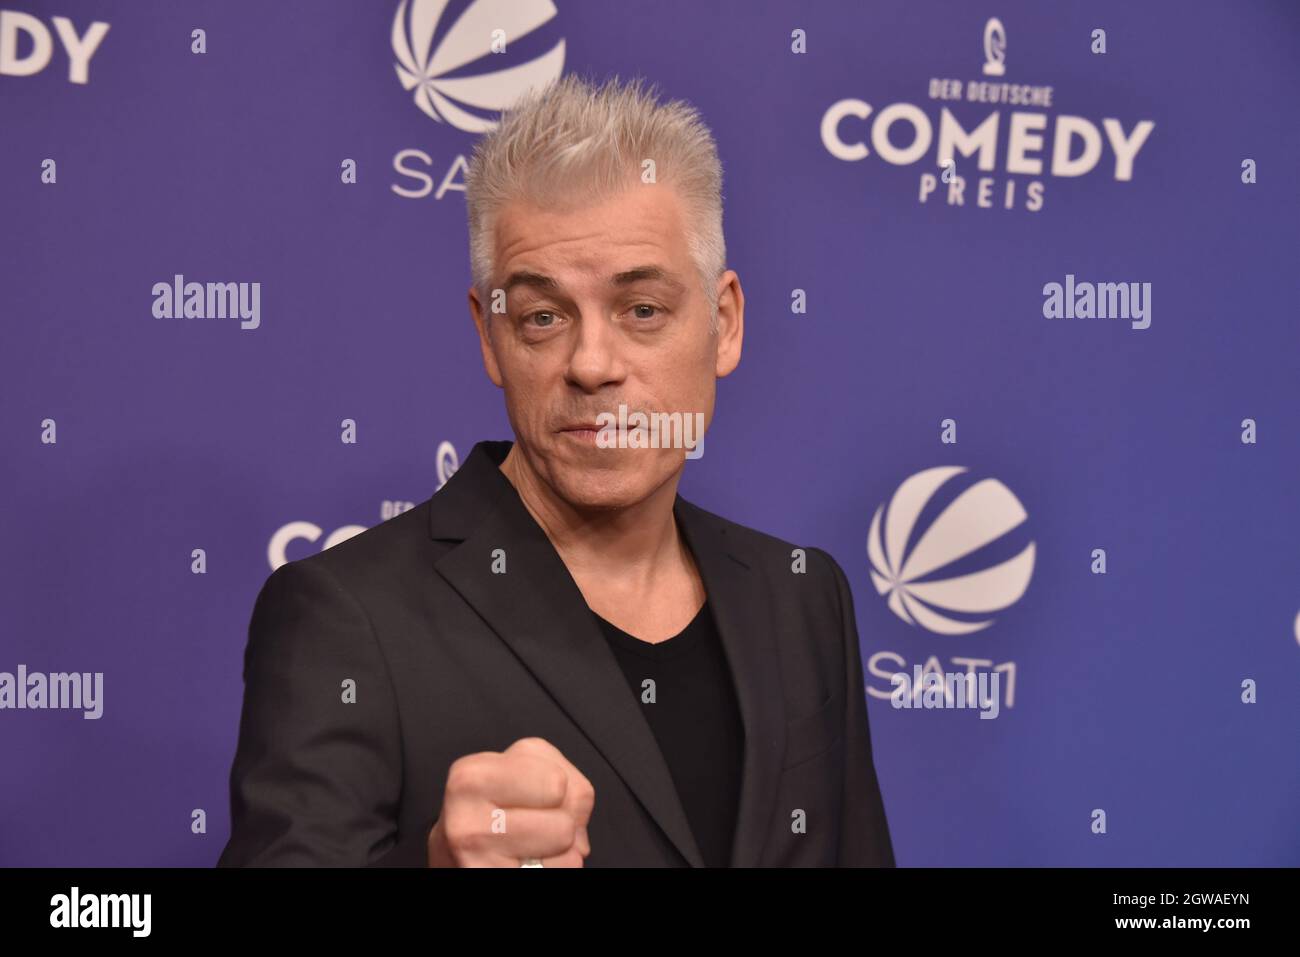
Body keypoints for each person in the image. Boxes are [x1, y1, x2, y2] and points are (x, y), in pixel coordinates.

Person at [217, 73, 894, 868]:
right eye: (543, 316)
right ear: (489, 337)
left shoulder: (802, 595)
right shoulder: (347, 617)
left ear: (725, 322)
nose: (592, 364)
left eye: (642, 309)